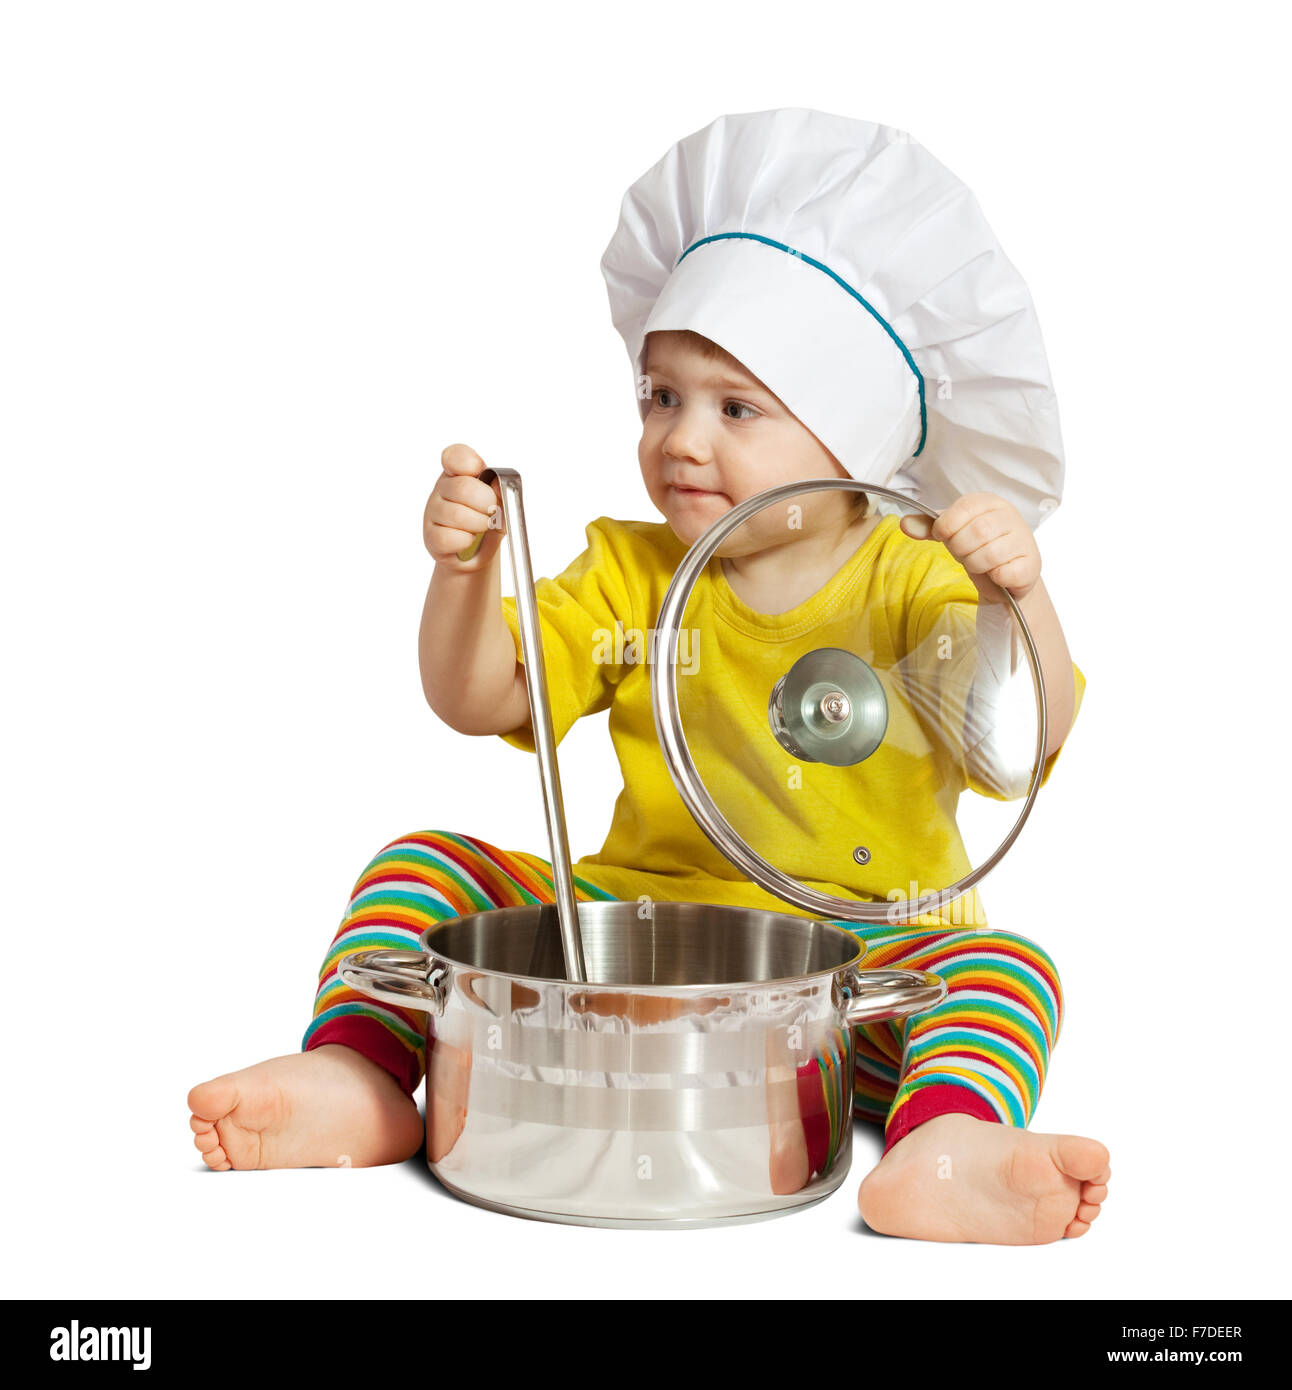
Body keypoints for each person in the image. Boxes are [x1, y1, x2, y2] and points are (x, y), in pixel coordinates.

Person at [188, 110, 1111, 1244]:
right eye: (659, 396)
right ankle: (359, 1073)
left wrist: (1015, 594)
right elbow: (478, 697)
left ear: (851, 440)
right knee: (423, 865)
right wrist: (467, 573)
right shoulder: (633, 571)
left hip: (854, 978)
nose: (680, 439)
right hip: (626, 962)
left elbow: (1014, 738)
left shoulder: (909, 577)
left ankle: (940, 1145)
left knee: (1001, 967)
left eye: (735, 410)